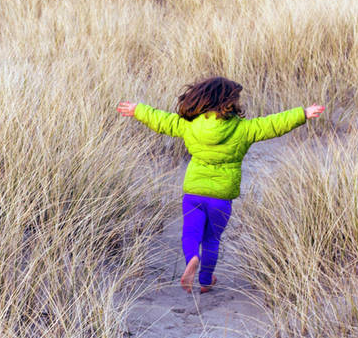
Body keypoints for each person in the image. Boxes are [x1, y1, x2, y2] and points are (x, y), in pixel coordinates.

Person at [117, 77, 324, 293]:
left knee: (190, 232)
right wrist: (303, 114)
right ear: (230, 103)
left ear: (201, 99)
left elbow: (162, 120)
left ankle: (191, 259)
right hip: (221, 197)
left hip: (194, 192)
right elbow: (274, 124)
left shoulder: (189, 126)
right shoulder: (245, 129)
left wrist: (138, 110)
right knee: (212, 239)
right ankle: (205, 280)